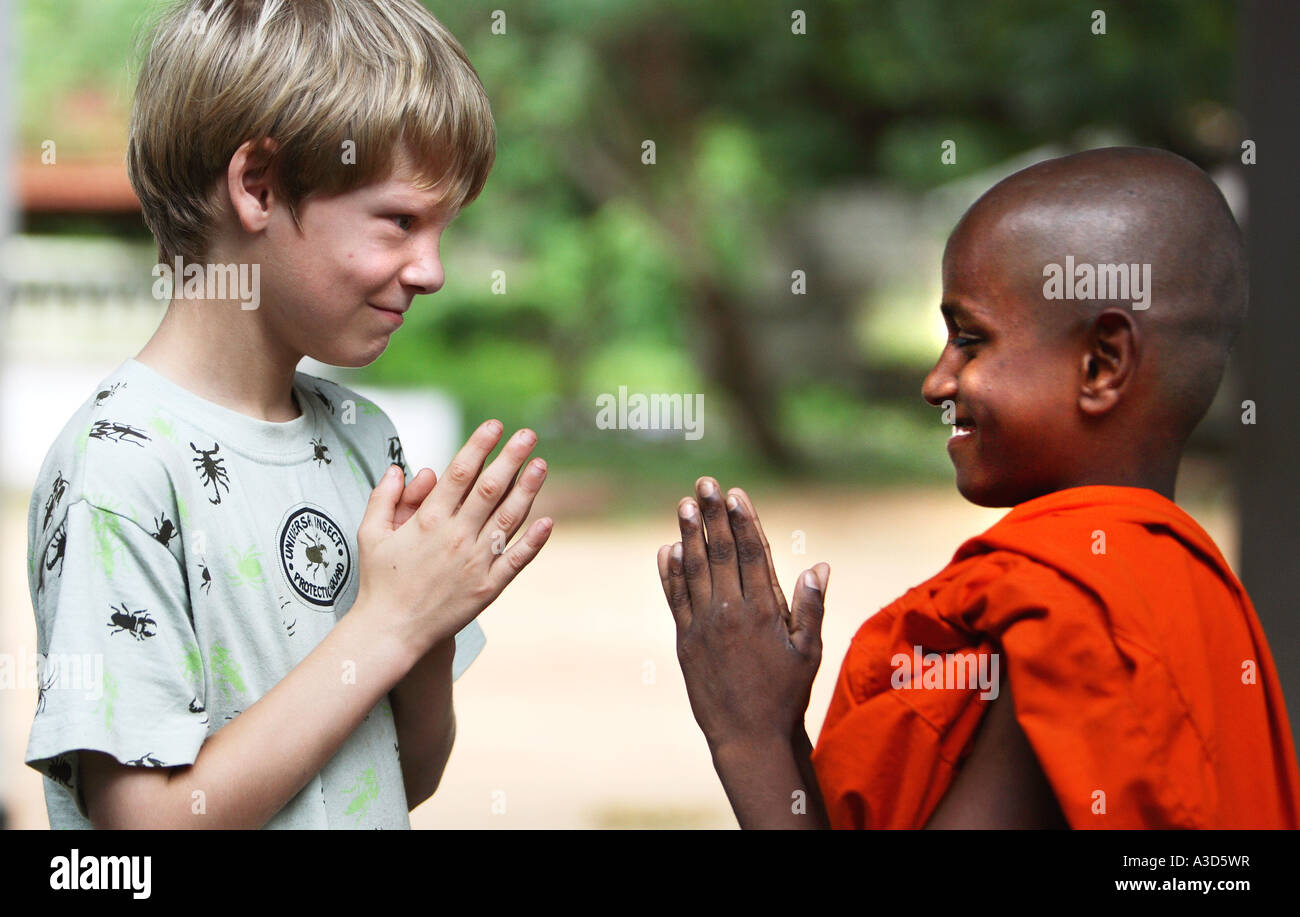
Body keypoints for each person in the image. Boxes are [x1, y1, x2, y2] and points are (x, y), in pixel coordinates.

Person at [656, 146, 1300, 829]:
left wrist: (746, 739)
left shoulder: (1069, 620)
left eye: (970, 339)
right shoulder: (1184, 592)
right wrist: (783, 735)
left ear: (1102, 363)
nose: (936, 382)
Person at [25, 0, 553, 829]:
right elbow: (143, 827)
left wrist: (429, 628)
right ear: (259, 186)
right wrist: (388, 624)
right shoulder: (120, 467)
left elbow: (403, 775)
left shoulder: (362, 437)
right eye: (402, 221)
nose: (433, 270)